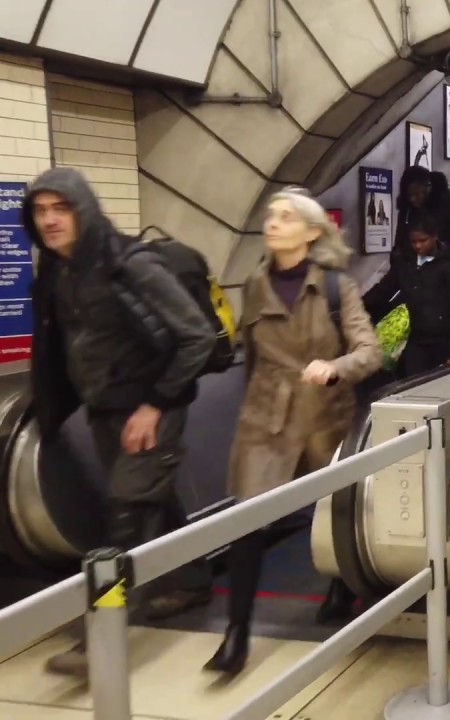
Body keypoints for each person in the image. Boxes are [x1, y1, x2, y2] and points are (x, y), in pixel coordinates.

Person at [23, 167, 217, 678]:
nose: (49, 220)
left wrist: (154, 405)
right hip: (104, 411)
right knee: (152, 499)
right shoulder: (56, 271)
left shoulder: (130, 265)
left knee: (126, 519)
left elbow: (198, 336)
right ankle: (192, 581)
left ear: (82, 210)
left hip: (152, 411)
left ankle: (100, 640)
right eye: (40, 211)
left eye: (59, 209)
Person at [204, 187, 381, 676]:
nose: (273, 222)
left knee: (334, 509)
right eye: (271, 215)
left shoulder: (335, 288)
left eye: (286, 216)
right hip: (266, 418)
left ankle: (341, 585)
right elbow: (253, 357)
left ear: (311, 232)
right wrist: (253, 403)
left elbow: (370, 350)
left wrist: (334, 366)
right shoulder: (254, 285)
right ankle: (235, 633)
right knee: (246, 520)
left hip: (324, 413)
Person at [364, 215, 450, 377]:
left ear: (434, 237)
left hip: (443, 341)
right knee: (413, 382)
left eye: (423, 241)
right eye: (414, 242)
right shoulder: (406, 265)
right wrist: (358, 306)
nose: (418, 246)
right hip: (417, 338)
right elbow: (384, 289)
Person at [394, 165, 450, 264]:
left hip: (446, 272)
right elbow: (399, 245)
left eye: (417, 194)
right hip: (413, 273)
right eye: (409, 195)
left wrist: (442, 251)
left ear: (428, 187)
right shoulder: (407, 211)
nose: (413, 199)